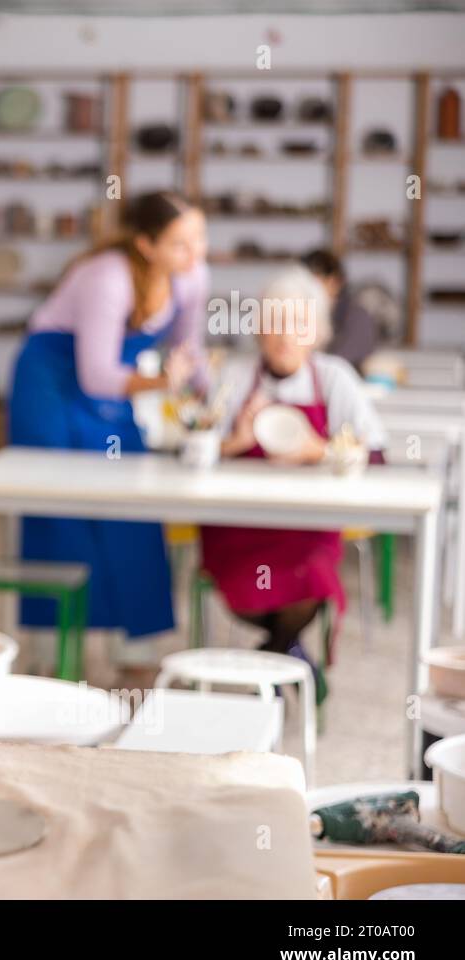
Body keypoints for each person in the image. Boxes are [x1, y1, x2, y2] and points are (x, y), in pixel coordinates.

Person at [8, 191, 210, 642]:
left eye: (199, 237)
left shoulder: (192, 277)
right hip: (50, 384)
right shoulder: (107, 276)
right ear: (146, 245)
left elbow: (187, 349)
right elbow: (97, 375)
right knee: (57, 508)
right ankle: (54, 646)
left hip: (111, 380)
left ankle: (134, 647)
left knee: (130, 499)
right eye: (181, 243)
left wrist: (206, 399)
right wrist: (163, 382)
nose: (195, 252)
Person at [200, 266, 387, 697]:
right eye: (273, 325)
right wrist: (232, 443)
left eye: (296, 325)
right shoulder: (235, 377)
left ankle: (273, 664)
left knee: (312, 577)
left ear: (317, 331)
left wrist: (320, 451)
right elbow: (193, 452)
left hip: (308, 530)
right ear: (258, 330)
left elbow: (377, 454)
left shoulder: (334, 378)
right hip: (237, 528)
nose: (284, 337)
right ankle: (292, 661)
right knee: (244, 587)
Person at [301, 248, 379, 370]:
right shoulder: (304, 313)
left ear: (335, 282)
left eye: (312, 283)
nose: (305, 290)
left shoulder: (357, 317)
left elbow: (339, 364)